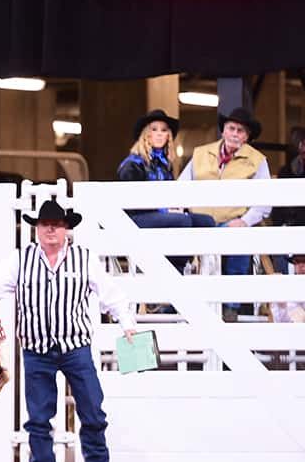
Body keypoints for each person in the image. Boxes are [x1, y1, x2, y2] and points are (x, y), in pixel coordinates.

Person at [0, 200, 136, 462]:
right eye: (45, 225)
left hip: (76, 347)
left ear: (66, 229)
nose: (51, 231)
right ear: (37, 229)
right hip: (36, 349)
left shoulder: (85, 260)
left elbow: (113, 295)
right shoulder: (20, 260)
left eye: (56, 225)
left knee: (93, 412)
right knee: (39, 419)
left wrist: (128, 324)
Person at [178, 108, 271, 320]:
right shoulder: (201, 153)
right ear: (223, 130)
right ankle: (188, 307)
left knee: (238, 243)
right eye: (231, 128)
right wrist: (181, 209)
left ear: (247, 136)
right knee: (184, 250)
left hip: (232, 222)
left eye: (240, 130)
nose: (235, 133)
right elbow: (182, 185)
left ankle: (231, 307)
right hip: (200, 221)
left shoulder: (257, 160)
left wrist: (244, 221)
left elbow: (264, 202)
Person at [116, 109, 215, 273]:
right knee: (182, 221)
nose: (159, 134)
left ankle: (202, 268)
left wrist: (176, 206)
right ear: (146, 134)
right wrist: (165, 208)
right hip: (137, 217)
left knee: (206, 221)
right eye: (154, 129)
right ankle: (174, 269)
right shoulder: (133, 163)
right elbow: (132, 202)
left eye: (164, 130)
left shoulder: (164, 164)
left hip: (160, 214)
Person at [270, 126, 305, 231]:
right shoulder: (286, 171)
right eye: (303, 144)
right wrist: (281, 225)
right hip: (289, 228)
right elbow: (278, 205)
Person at [271, 253, 305, 324]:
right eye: (297, 261)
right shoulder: (287, 288)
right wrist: (282, 306)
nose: (302, 266)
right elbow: (280, 321)